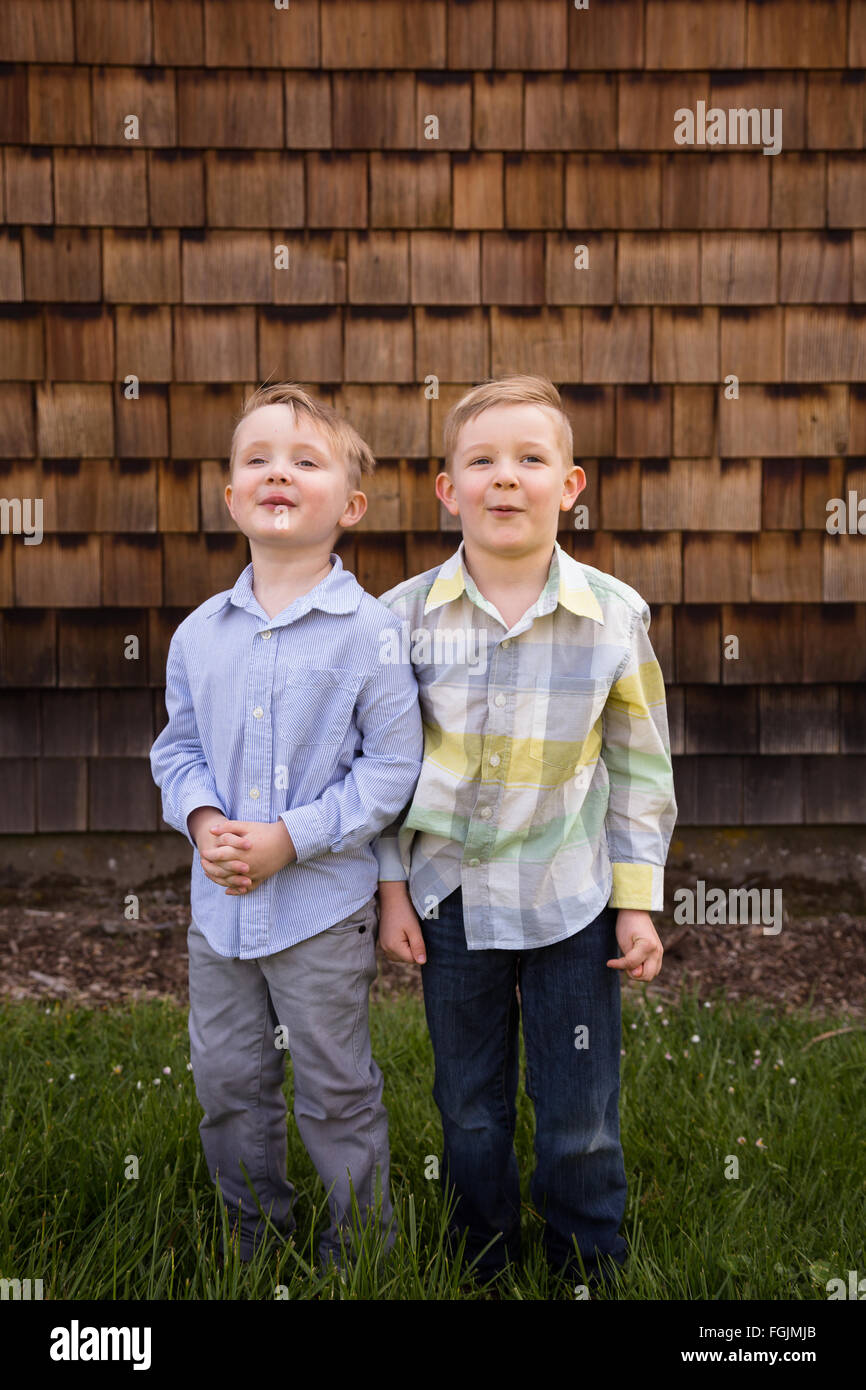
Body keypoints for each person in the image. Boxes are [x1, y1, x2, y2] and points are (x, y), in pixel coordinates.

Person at [374, 374, 677, 1289]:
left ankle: (588, 1255)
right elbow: (383, 771)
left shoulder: (613, 616)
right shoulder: (400, 619)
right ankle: (484, 1253)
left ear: (571, 484)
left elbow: (639, 768)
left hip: (571, 901)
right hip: (449, 900)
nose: (506, 479)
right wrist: (392, 888)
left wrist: (637, 901)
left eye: (530, 460)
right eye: (482, 461)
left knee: (580, 1103)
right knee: (469, 1105)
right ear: (447, 488)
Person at [150, 383, 423, 1268]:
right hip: (219, 913)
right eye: (258, 459)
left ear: (349, 507)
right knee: (228, 1082)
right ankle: (252, 1237)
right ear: (232, 499)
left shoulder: (372, 636)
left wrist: (289, 839)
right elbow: (177, 748)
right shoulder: (199, 635)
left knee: (335, 1087)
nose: (279, 472)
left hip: (318, 910)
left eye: (306, 461)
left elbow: (390, 772)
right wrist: (202, 820)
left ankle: (362, 1254)